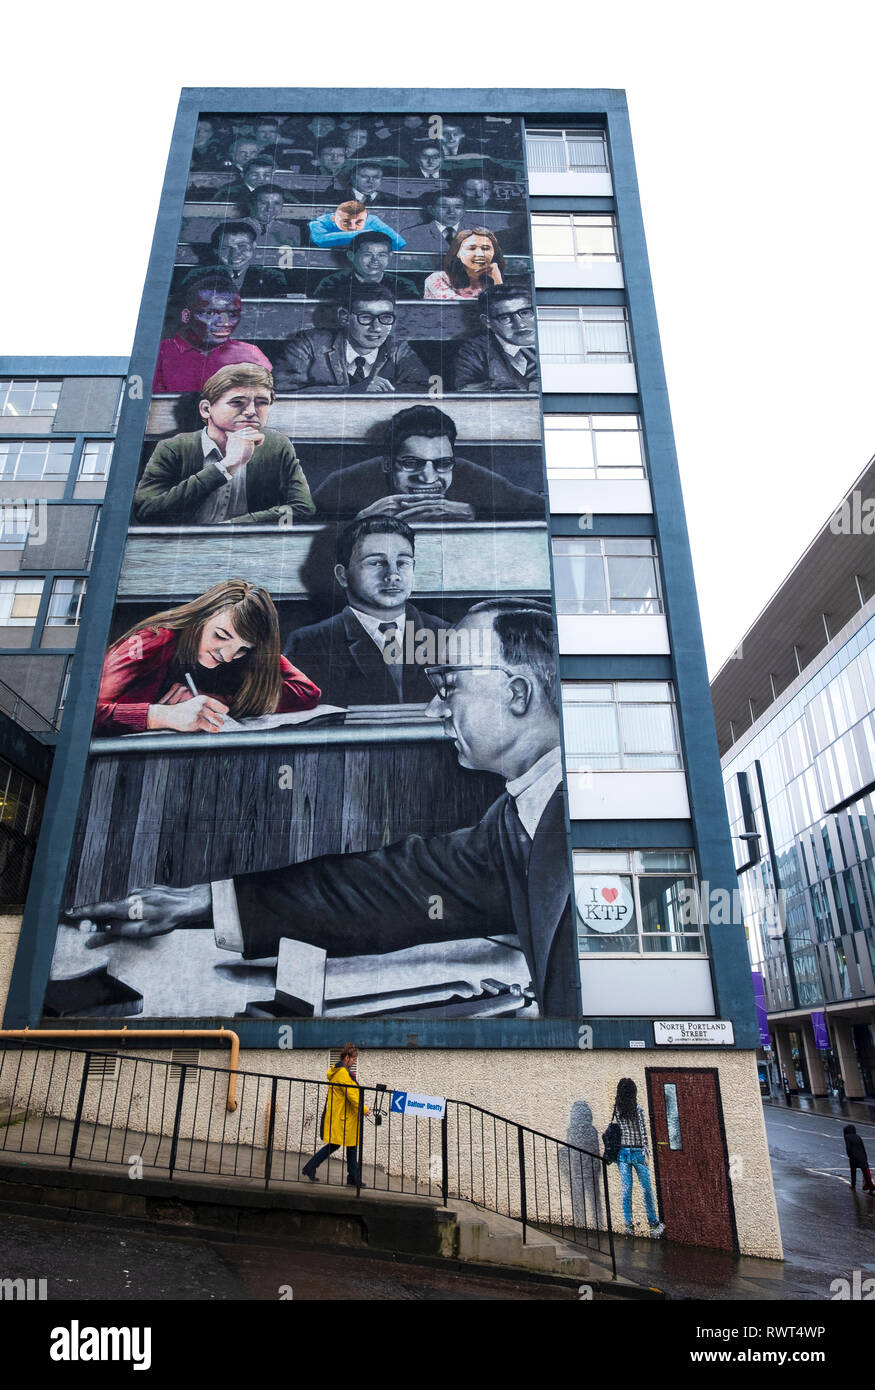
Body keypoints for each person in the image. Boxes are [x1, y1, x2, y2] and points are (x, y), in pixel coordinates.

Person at [67, 601, 579, 1019]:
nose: (434, 709)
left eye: (450, 688)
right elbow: (389, 887)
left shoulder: (579, 818)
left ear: (518, 694)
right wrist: (200, 902)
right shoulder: (521, 818)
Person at [94, 580, 321, 737]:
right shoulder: (153, 640)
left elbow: (306, 691)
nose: (228, 656)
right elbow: (87, 713)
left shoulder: (245, 653)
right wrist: (160, 716)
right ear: (200, 617)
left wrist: (212, 700)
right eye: (221, 636)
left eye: (242, 649)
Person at [283, 516, 445, 706]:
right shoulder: (309, 643)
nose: (393, 575)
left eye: (402, 563)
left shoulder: (446, 634)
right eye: (376, 563)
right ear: (342, 576)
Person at [135, 364, 314, 525]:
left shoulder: (276, 444)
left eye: (262, 403)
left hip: (252, 551)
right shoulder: (174, 448)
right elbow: (146, 511)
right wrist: (225, 467)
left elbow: (302, 508)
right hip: (183, 552)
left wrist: (234, 526)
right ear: (206, 409)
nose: (251, 411)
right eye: (237, 403)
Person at [312, 403, 541, 520]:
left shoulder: (471, 475)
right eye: (411, 463)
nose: (429, 477)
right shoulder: (345, 484)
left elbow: (539, 509)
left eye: (442, 464)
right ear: (387, 464)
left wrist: (473, 512)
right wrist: (360, 520)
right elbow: (299, 528)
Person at [273, 285, 428, 395]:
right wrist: (350, 391)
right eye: (366, 317)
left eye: (385, 318)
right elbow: (280, 390)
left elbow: (421, 388)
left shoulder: (398, 348)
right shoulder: (309, 344)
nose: (377, 327)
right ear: (344, 317)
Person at [152, 276, 272, 394]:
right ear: (186, 316)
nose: (225, 322)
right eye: (210, 313)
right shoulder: (159, 354)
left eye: (232, 314)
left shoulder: (251, 355)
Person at [302, 1045, 368, 1186]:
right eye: (353, 1059)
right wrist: (364, 1109)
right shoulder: (342, 1074)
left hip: (345, 1116)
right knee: (340, 1145)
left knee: (349, 1145)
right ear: (346, 1058)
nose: (354, 1062)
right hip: (343, 1117)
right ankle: (311, 1167)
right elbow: (352, 1095)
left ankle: (351, 1177)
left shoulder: (340, 1071)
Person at [454, 283, 539, 392]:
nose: (520, 325)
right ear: (487, 322)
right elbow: (466, 391)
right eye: (505, 318)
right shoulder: (475, 351)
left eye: (525, 313)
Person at [611, 1078, 665, 1237]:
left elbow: (617, 1132)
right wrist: (646, 1152)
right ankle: (653, 1224)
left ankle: (629, 1225)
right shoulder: (637, 1109)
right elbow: (643, 1133)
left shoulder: (618, 1109)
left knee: (627, 1189)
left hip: (623, 1153)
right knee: (646, 1188)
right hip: (637, 1152)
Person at [312, 230, 419, 301]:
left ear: (390, 256)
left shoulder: (404, 285)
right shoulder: (332, 283)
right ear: (351, 256)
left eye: (382, 255)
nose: (375, 260)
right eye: (367, 254)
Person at [200, 221, 289, 296]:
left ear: (254, 246)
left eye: (242, 247)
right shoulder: (198, 276)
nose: (235, 254)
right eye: (226, 248)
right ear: (216, 250)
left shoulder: (273, 278)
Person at [424, 228, 505, 300]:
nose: (480, 254)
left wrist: (497, 280)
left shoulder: (493, 279)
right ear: (457, 253)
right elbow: (460, 308)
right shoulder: (437, 279)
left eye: (486, 248)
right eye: (472, 248)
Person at [308, 201, 406, 250]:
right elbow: (320, 241)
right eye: (346, 222)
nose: (353, 227)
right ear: (334, 219)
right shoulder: (319, 223)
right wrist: (365, 234)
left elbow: (399, 243)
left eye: (359, 222)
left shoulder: (372, 220)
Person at [400, 192, 466, 253]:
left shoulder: (474, 232)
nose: (451, 212)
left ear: (464, 210)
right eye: (444, 207)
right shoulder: (411, 234)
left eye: (458, 207)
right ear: (431, 209)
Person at [844, 1125, 875, 1191]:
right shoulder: (858, 1136)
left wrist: (849, 1155)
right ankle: (872, 1188)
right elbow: (863, 1147)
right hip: (862, 1157)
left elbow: (848, 1148)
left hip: (854, 1157)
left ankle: (853, 1185)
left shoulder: (847, 1137)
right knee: (866, 1173)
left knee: (853, 1171)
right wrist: (865, 1157)